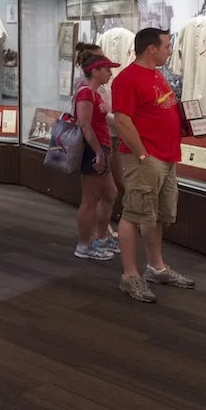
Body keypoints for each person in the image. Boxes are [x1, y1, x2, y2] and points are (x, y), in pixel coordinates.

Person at [112, 28, 195, 303]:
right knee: (134, 213)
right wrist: (143, 154)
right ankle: (129, 275)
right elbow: (122, 120)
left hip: (166, 156)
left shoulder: (157, 75)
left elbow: (161, 111)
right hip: (146, 158)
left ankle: (156, 267)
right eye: (167, 46)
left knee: (156, 214)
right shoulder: (127, 78)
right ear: (151, 48)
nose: (169, 51)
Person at [73, 53, 121, 261]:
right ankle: (84, 244)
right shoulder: (85, 93)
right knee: (89, 200)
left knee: (110, 193)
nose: (110, 73)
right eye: (107, 69)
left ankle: (101, 237)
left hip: (102, 148)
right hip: (94, 150)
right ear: (95, 71)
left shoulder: (95, 93)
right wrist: (98, 152)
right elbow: (84, 124)